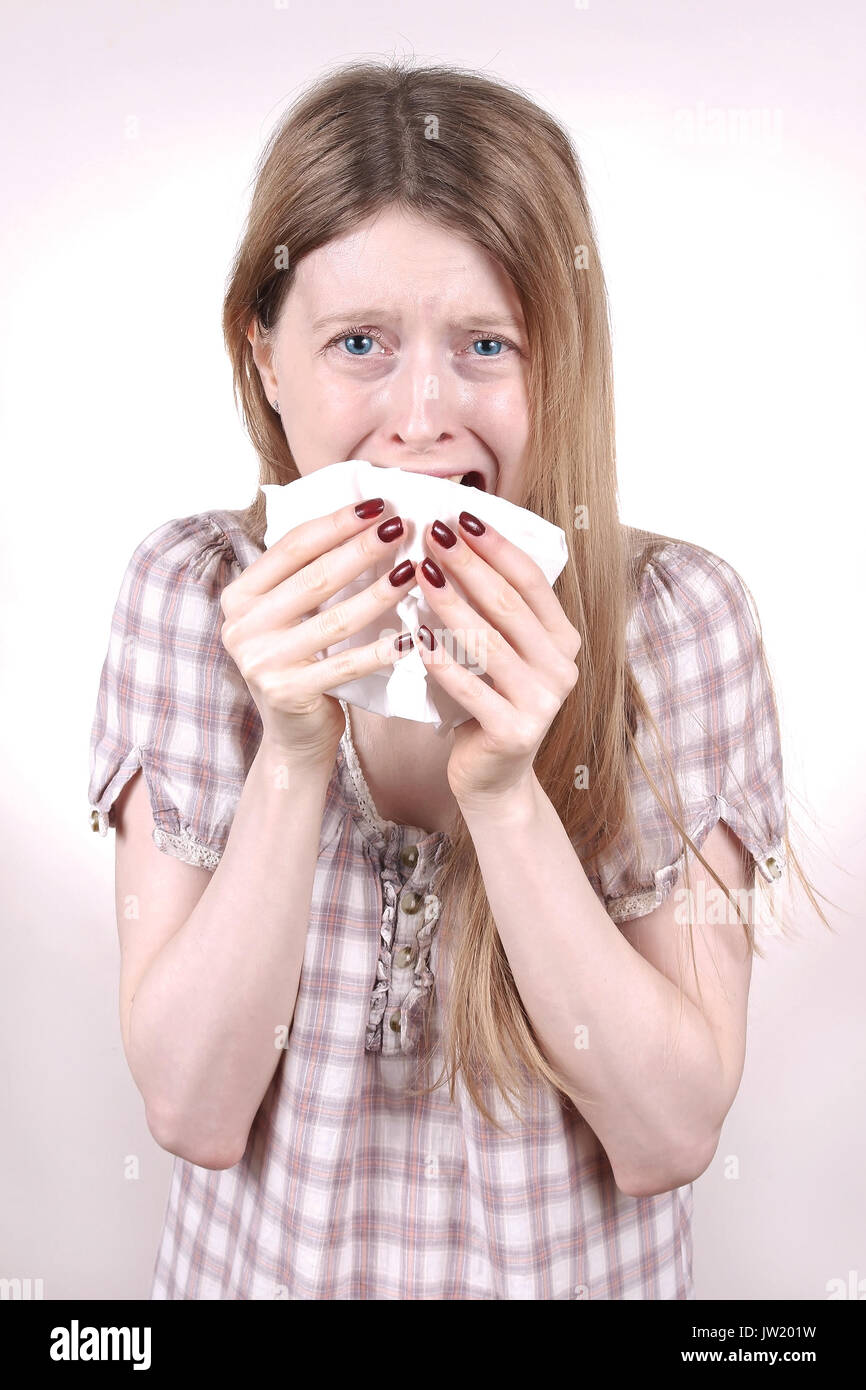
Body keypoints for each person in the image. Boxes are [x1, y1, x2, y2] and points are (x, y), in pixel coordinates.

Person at [87, 58, 812, 1300]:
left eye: (485, 343)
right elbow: (192, 1109)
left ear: (558, 360)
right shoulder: (184, 597)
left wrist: (504, 790)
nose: (421, 418)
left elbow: (670, 1136)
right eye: (358, 343)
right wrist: (293, 751)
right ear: (264, 358)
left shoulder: (679, 626)